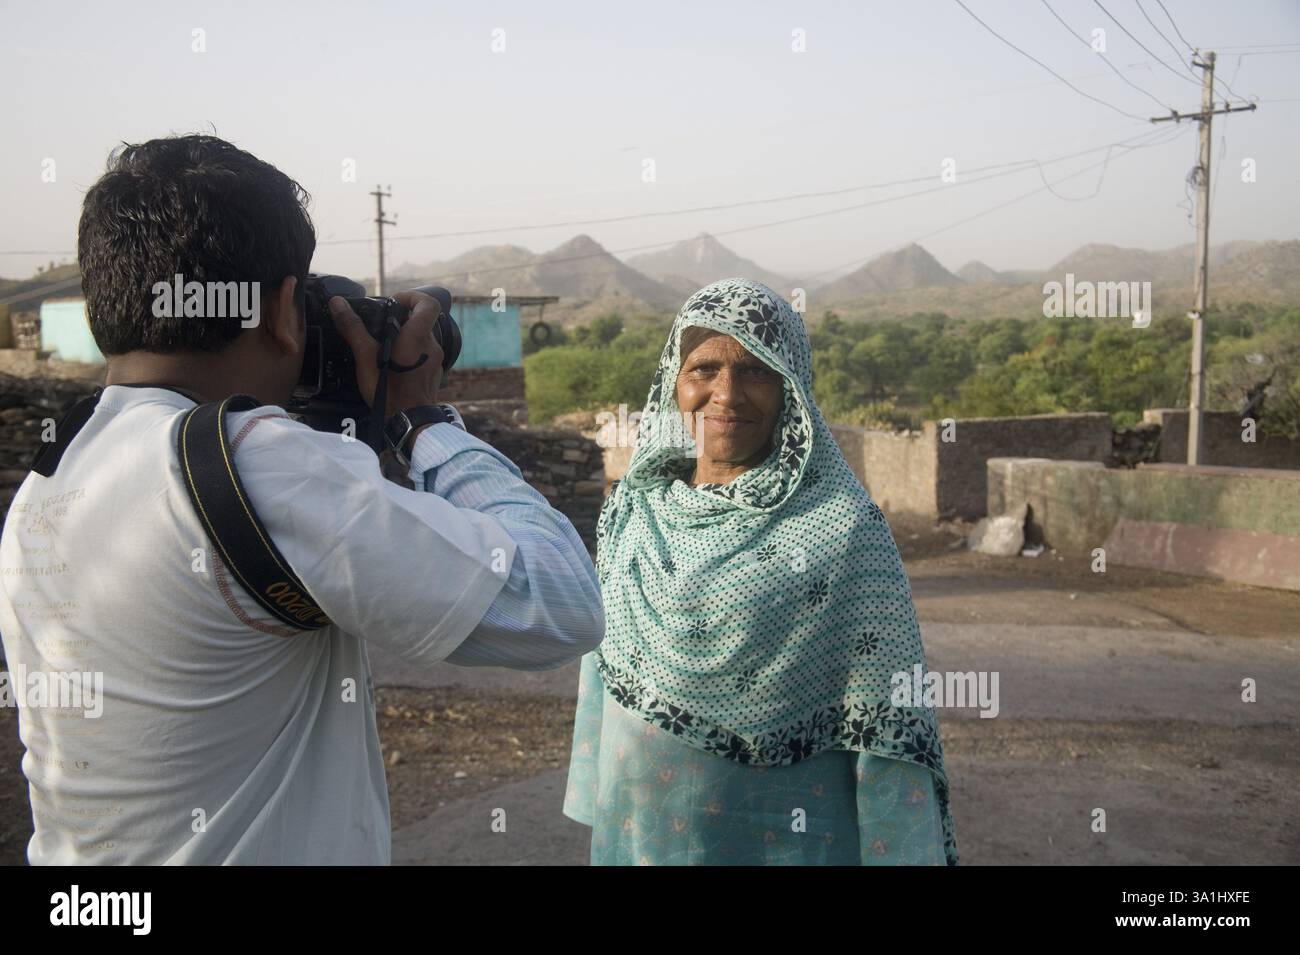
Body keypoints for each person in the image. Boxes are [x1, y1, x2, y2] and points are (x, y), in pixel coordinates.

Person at [0, 134, 604, 864]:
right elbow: (563, 601)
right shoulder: (256, 466)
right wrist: (420, 416)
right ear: (286, 309)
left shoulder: (52, 476)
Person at [563, 278, 958, 865]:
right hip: (643, 831)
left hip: (783, 838)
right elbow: (602, 669)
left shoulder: (843, 528)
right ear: (674, 381)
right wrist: (594, 789)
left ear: (790, 387)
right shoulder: (634, 508)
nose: (726, 394)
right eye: (703, 369)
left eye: (756, 370)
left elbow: (887, 720)